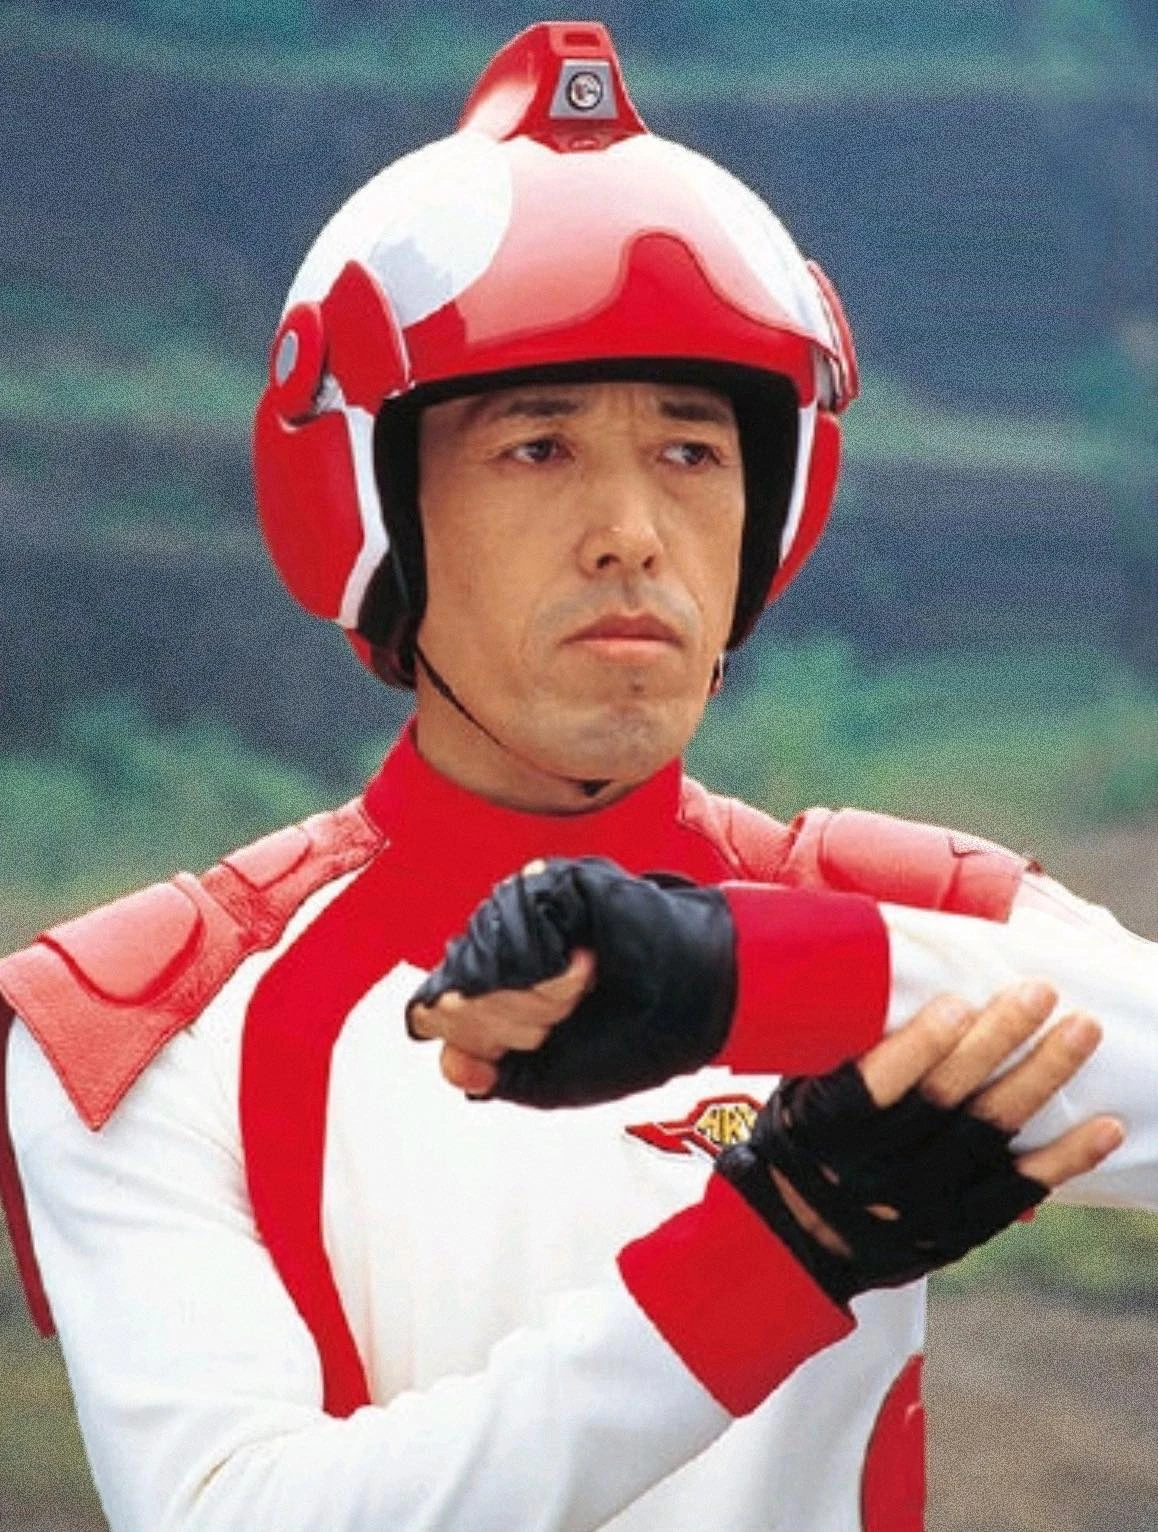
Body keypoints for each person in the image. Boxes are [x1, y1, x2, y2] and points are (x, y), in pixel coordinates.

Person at [0, 20, 1154, 1532]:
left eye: (692, 452)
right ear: (374, 514)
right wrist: (781, 1247)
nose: (631, 534)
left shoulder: (889, 917)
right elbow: (235, 1513)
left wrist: (744, 975)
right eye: (538, 449)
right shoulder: (145, 1026)